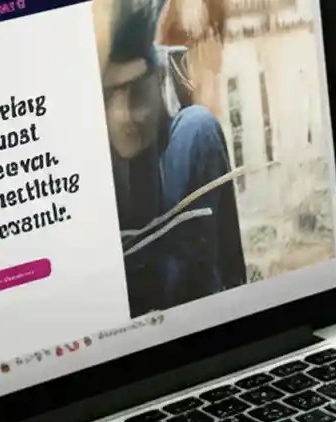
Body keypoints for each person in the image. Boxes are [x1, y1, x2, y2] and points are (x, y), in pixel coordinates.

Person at [100, 0, 245, 317]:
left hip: (195, 315)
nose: (126, 116)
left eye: (137, 92)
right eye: (111, 96)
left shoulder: (188, 136)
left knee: (199, 126)